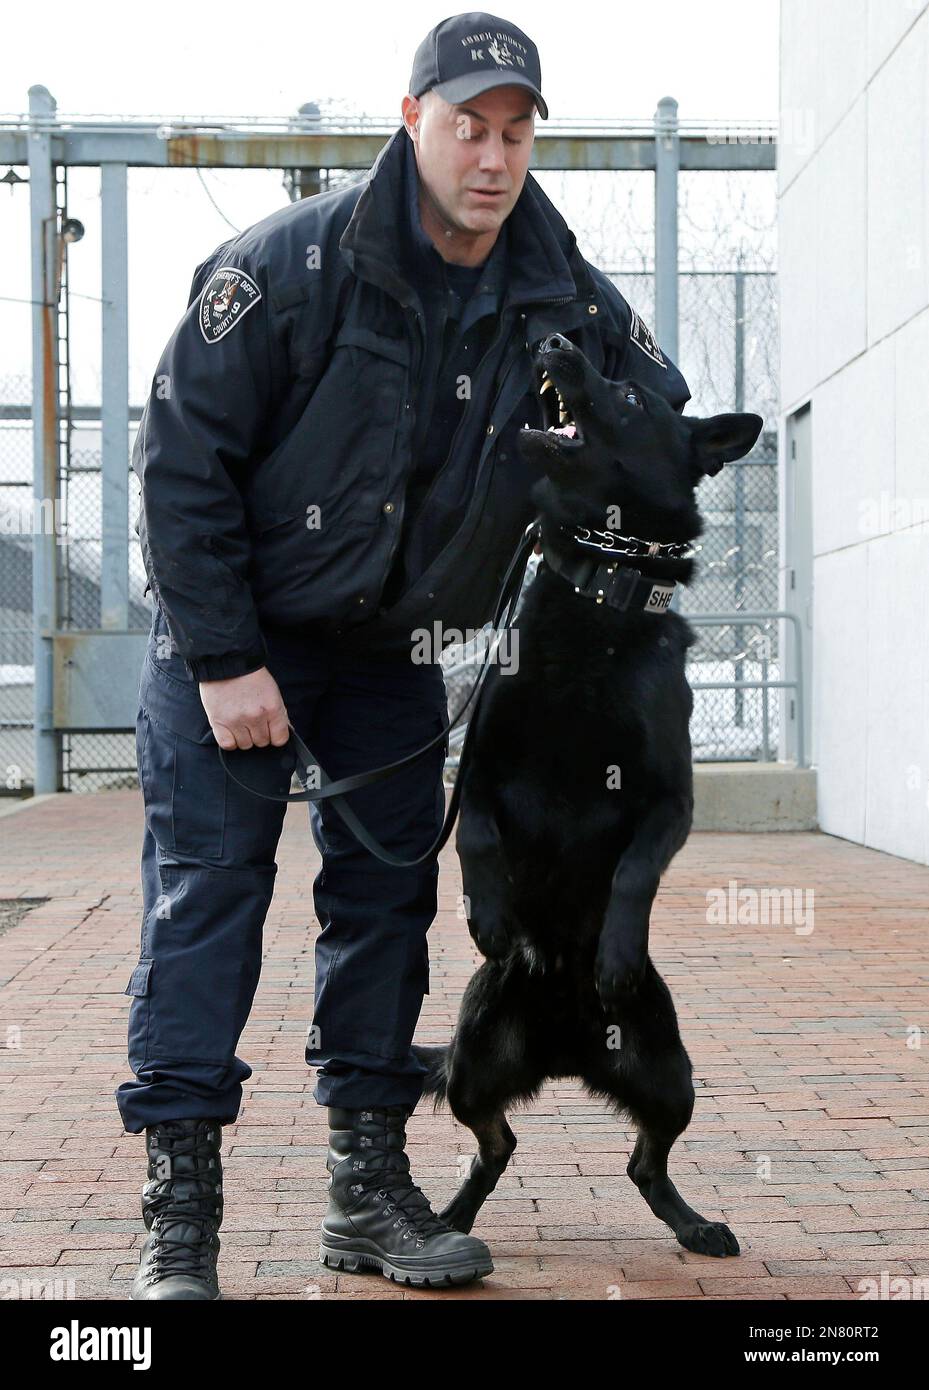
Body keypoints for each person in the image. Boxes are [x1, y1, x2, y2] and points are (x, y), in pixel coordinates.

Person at [119, 10, 693, 1300]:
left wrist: (576, 443)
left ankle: (368, 1192)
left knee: (384, 913)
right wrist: (223, 662)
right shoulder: (285, 269)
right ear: (412, 120)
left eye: (514, 132)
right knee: (210, 902)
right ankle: (182, 1217)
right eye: (465, 126)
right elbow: (181, 468)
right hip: (237, 647)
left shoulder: (554, 282)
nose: (490, 157)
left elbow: (658, 407)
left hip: (391, 658)